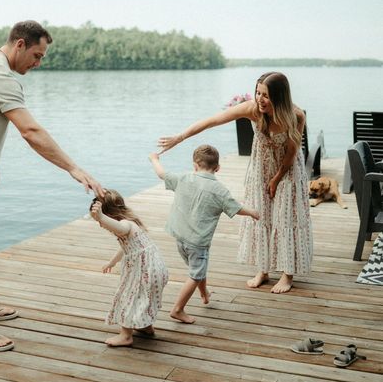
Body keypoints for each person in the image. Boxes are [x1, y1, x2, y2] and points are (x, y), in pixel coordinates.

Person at [0, 20, 103, 352]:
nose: (38, 64)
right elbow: (31, 132)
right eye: (37, 56)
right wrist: (74, 169)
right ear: (20, 44)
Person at [158, 72, 312, 295]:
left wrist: (277, 178)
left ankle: (287, 274)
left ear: (279, 97)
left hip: (287, 171)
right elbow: (212, 121)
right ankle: (263, 270)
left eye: (266, 96)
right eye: (258, 92)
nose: (260, 99)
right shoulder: (251, 109)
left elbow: (291, 153)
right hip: (260, 169)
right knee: (261, 215)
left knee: (285, 216)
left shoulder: (295, 116)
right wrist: (178, 138)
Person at [149, 145, 259, 324]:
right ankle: (178, 309)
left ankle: (204, 293)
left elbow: (162, 174)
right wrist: (253, 212)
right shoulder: (220, 190)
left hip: (180, 237)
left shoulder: (184, 178)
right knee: (195, 274)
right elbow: (236, 208)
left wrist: (154, 159)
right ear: (217, 168)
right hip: (197, 243)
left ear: (195, 165)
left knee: (198, 270)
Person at [90, 189, 168, 347]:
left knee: (129, 297)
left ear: (109, 214)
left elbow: (120, 228)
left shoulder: (125, 224)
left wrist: (101, 217)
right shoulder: (130, 224)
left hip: (144, 270)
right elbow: (125, 247)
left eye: (100, 222)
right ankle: (145, 326)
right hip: (153, 269)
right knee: (143, 298)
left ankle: (126, 336)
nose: (100, 225)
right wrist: (112, 262)